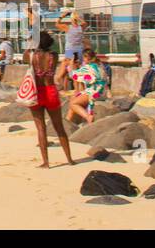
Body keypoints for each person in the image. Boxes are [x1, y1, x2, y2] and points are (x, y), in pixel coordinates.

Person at [28, 31, 75, 168]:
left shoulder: (31, 56)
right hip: (51, 91)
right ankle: (69, 159)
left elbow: (28, 60)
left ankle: (46, 162)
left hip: (37, 92)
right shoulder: (53, 56)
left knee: (41, 128)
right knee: (59, 127)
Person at [67, 47, 107, 125]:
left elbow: (73, 75)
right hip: (101, 92)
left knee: (73, 103)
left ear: (86, 58)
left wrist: (71, 64)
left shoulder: (88, 68)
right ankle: (68, 122)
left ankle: (88, 116)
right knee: (74, 99)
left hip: (94, 92)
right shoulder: (100, 66)